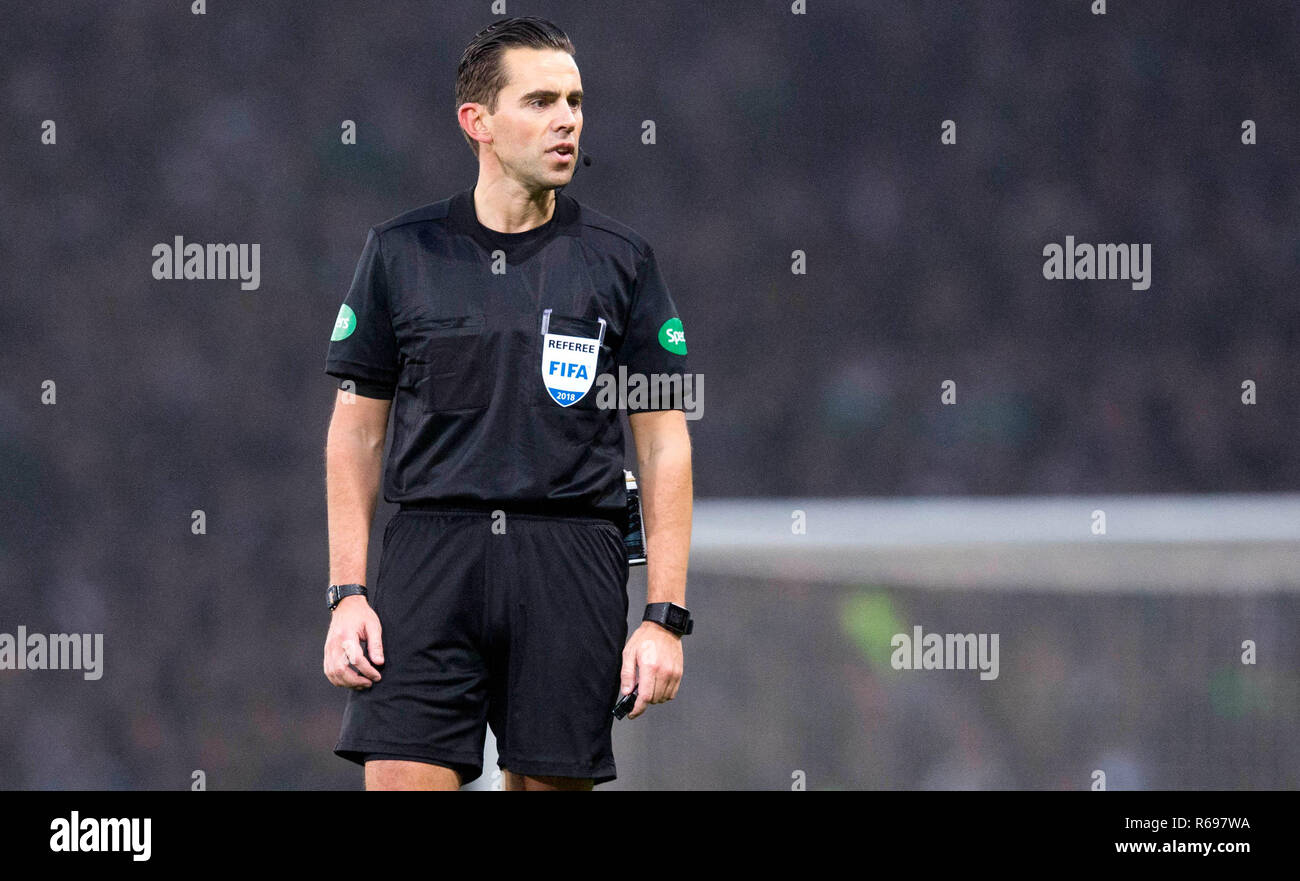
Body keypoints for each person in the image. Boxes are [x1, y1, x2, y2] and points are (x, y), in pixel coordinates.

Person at [321, 16, 694, 791]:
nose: (568, 119)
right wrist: (347, 593)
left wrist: (663, 616)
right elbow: (356, 433)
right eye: (541, 101)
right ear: (478, 122)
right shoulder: (400, 252)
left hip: (569, 559)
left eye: (576, 101)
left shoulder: (621, 260)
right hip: (431, 554)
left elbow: (664, 444)